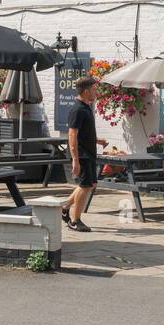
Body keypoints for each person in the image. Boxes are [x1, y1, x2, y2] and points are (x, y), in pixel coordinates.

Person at [62, 76, 107, 232]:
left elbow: (84, 133)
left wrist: (97, 140)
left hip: (89, 153)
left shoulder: (86, 107)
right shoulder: (77, 110)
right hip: (82, 155)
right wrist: (75, 159)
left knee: (91, 184)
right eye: (94, 89)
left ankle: (65, 206)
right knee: (85, 185)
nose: (96, 92)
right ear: (86, 90)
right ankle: (75, 220)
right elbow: (72, 135)